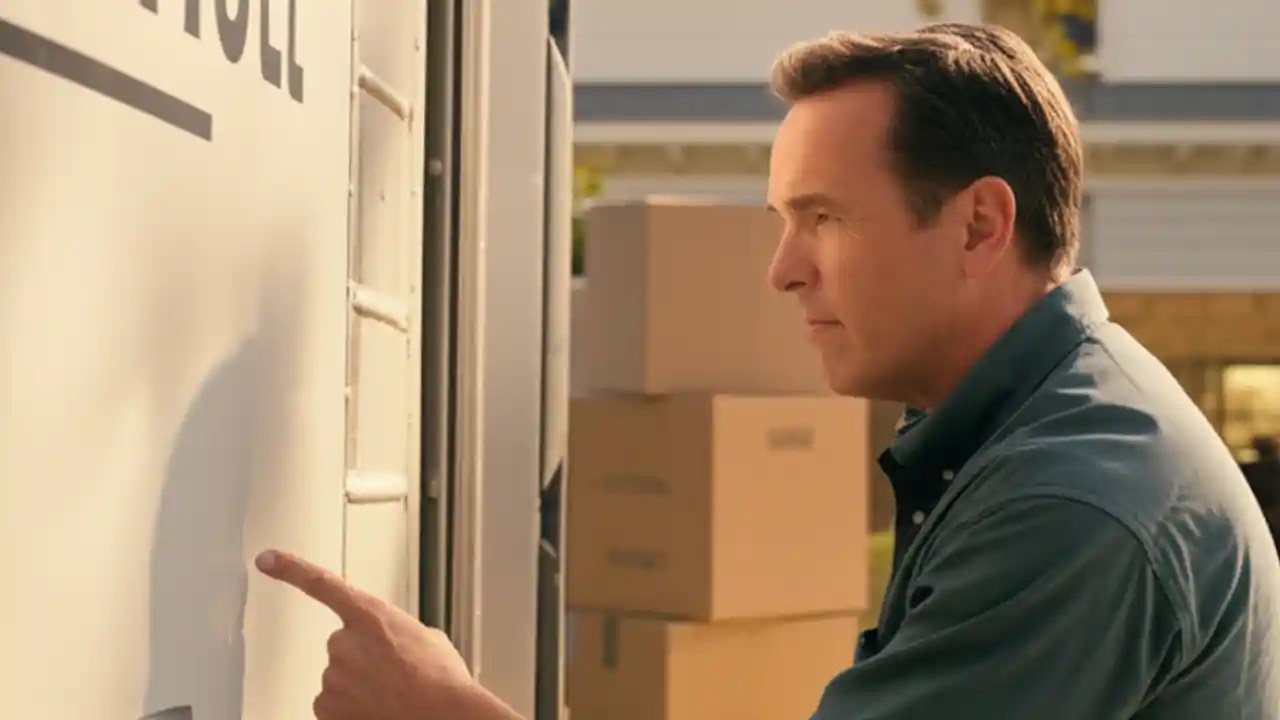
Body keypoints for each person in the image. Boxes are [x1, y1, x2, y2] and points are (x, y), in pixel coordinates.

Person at [256, 22, 1280, 719]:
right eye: (783, 222)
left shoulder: (1070, 505)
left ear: (977, 223)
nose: (783, 271)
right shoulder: (1050, 433)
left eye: (823, 219)